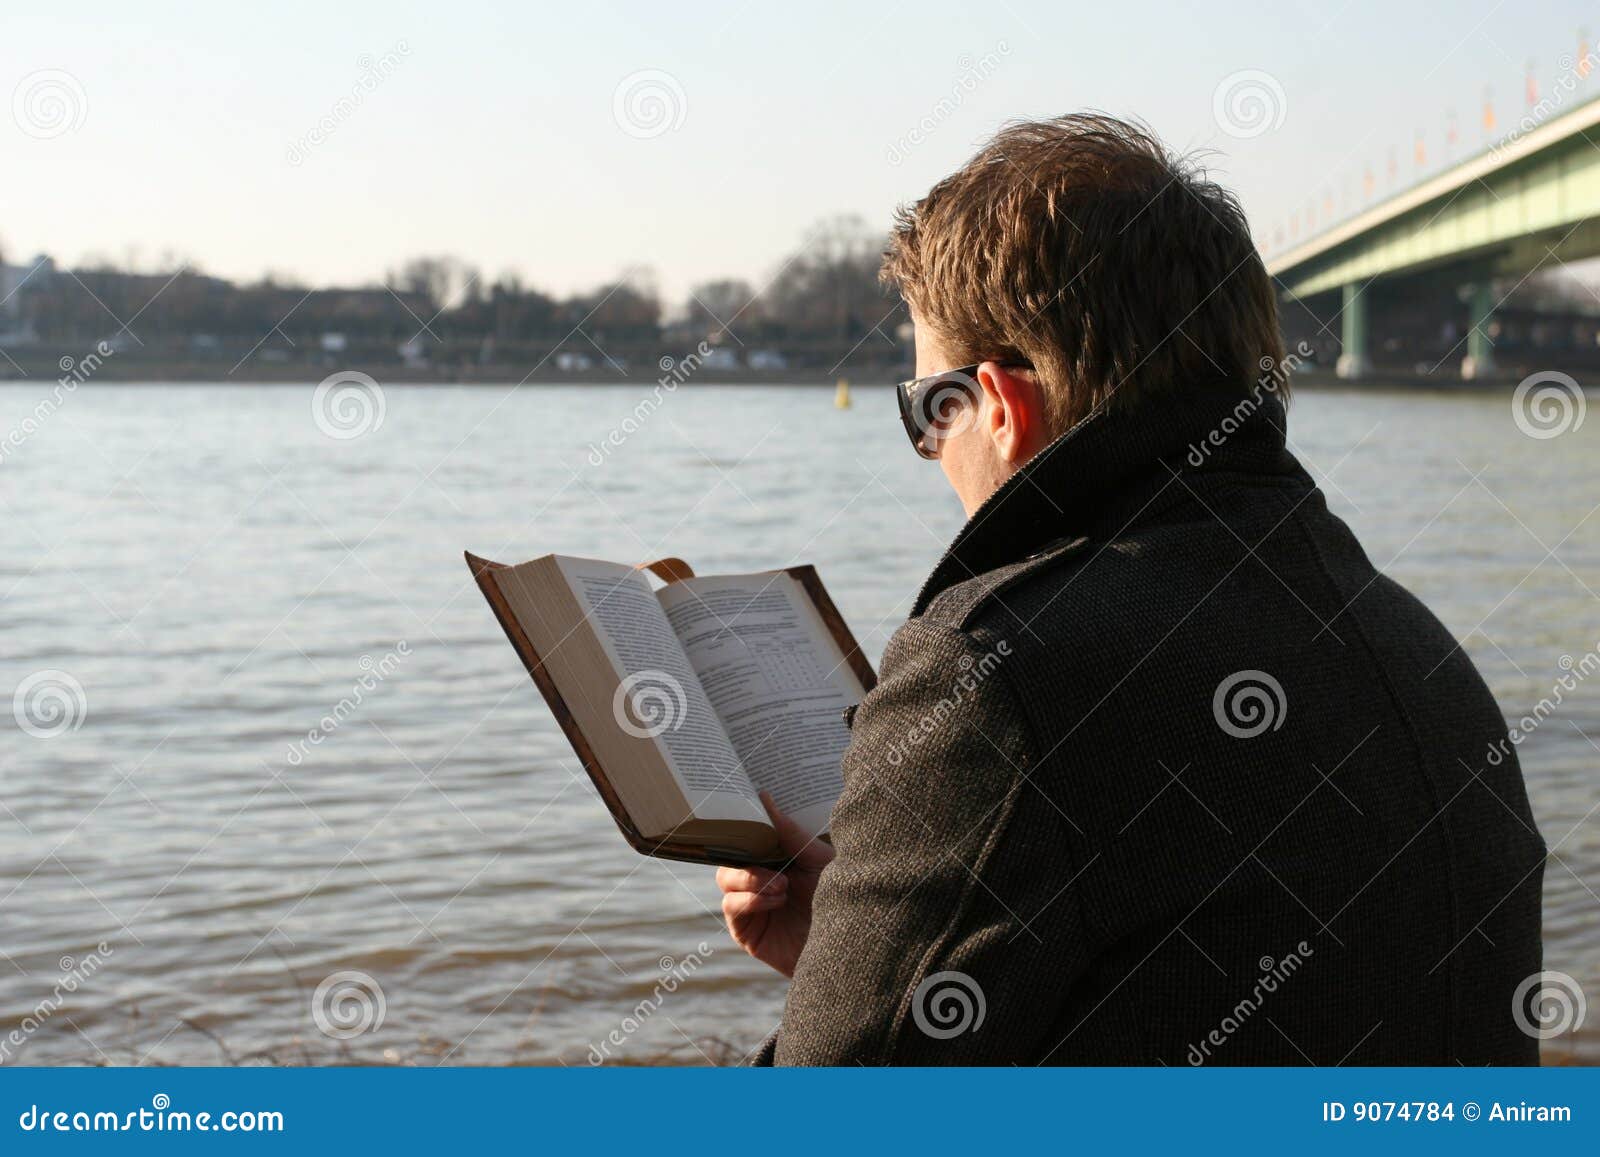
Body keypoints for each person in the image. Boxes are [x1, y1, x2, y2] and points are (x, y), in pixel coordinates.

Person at [716, 114, 1546, 1065]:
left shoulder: (1000, 674)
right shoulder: (1415, 644)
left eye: (925, 413)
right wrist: (861, 954)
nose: (928, 455)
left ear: (1000, 405)